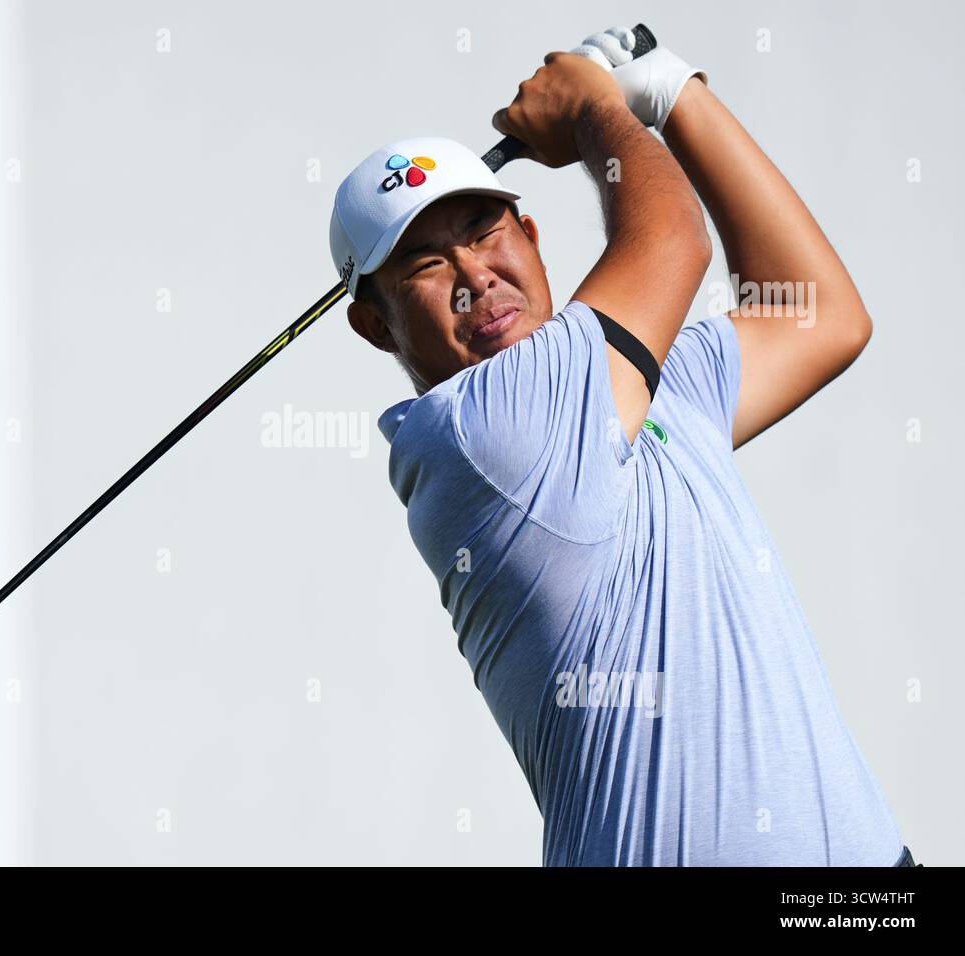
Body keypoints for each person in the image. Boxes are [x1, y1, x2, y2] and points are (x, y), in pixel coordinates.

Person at [329, 28, 914, 866]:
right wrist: (600, 110)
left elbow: (820, 315)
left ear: (529, 236)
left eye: (483, 229)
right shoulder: (476, 432)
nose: (474, 272)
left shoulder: (646, 380)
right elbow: (673, 241)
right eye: (425, 262)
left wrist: (679, 97)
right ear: (372, 323)